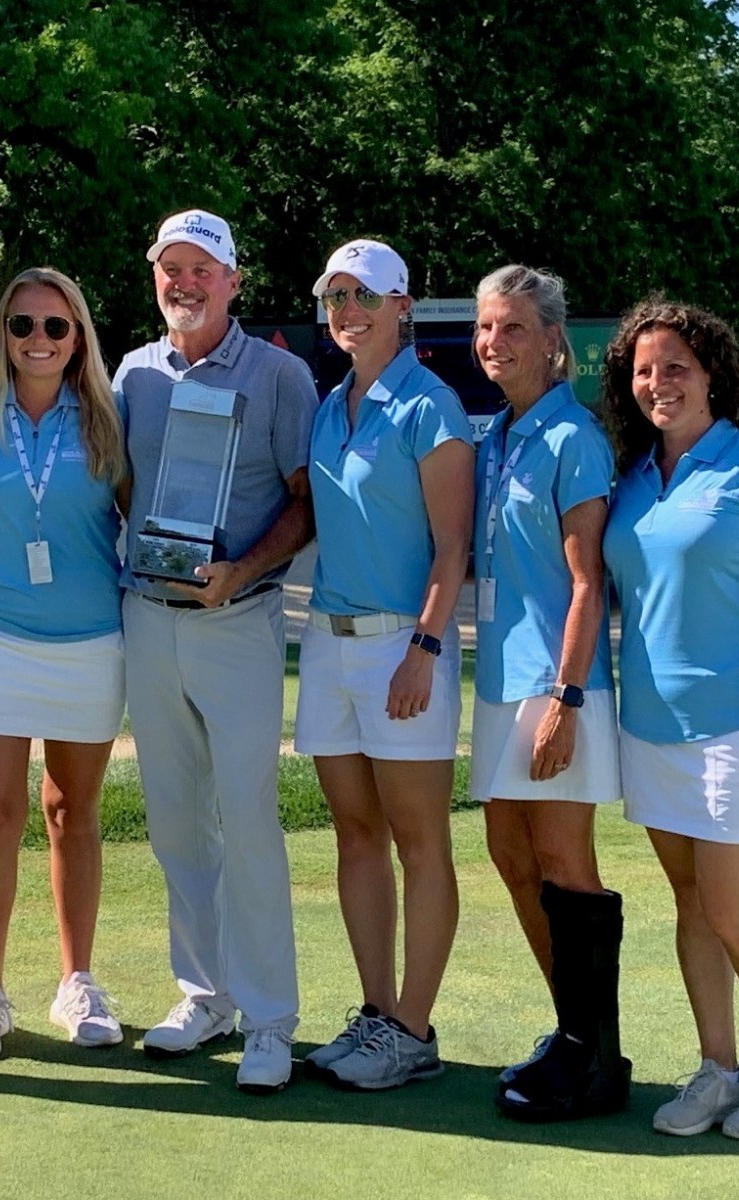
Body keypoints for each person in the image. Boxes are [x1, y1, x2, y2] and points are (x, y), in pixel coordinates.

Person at [600, 297, 739, 1142]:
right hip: (651, 726)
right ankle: (718, 1070)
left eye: (677, 368)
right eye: (644, 370)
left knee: (731, 911)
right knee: (691, 907)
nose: (659, 383)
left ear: (714, 377)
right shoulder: (631, 480)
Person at [115, 210, 318, 1093]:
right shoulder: (132, 372)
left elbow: (307, 503)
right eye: (171, 269)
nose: (185, 284)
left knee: (248, 821)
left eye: (203, 270)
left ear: (234, 281)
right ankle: (205, 995)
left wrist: (240, 572)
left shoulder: (280, 375)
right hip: (148, 617)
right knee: (175, 821)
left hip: (239, 620)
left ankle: (271, 1017)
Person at [295, 239, 474, 1090]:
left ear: (403, 306)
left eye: (365, 295)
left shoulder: (430, 406)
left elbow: (453, 549)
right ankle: (375, 1014)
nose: (348, 311)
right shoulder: (332, 405)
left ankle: (414, 1026)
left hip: (407, 646)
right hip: (328, 645)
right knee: (356, 834)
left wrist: (426, 651)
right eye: (336, 296)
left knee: (418, 840)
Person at [0, 268, 127, 1059]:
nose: (39, 341)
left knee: (71, 814)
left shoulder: (110, 420)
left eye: (56, 327)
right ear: (1, 335)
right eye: (22, 326)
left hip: (91, 639)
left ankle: (77, 981)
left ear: (78, 336)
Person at [467, 266, 629, 1121]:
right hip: (499, 679)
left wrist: (566, 697)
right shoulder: (497, 434)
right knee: (510, 855)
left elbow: (584, 584)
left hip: (556, 684)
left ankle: (597, 1058)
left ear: (553, 340)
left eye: (514, 328)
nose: (494, 342)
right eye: (487, 327)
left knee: (566, 864)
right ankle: (575, 1032)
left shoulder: (574, 438)